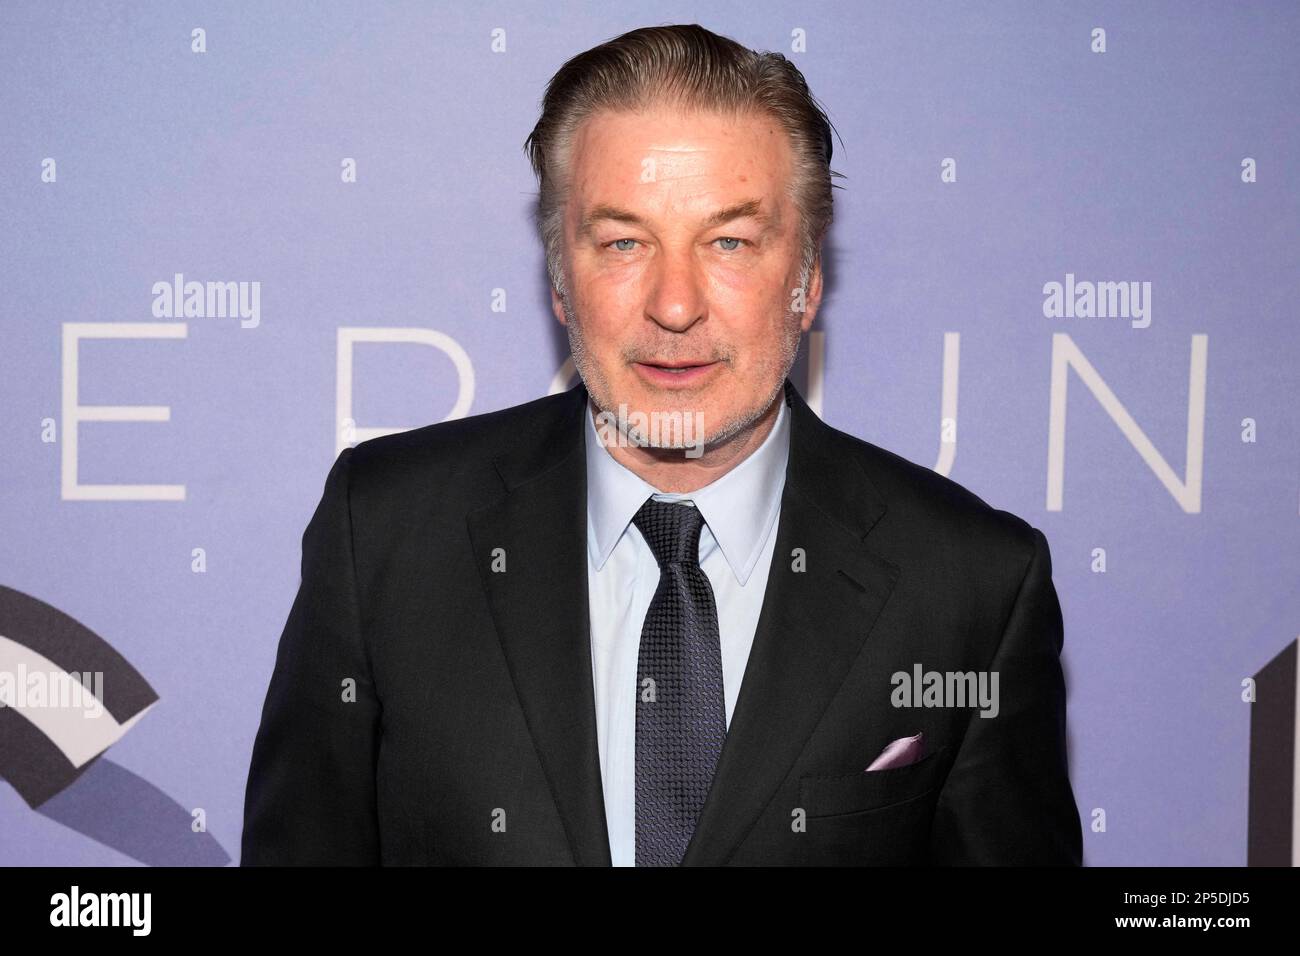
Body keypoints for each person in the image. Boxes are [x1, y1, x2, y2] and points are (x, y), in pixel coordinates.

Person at [241, 23, 1082, 866]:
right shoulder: (386, 533)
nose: (674, 305)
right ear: (560, 279)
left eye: (729, 242)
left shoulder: (971, 584)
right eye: (623, 242)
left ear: (807, 278)